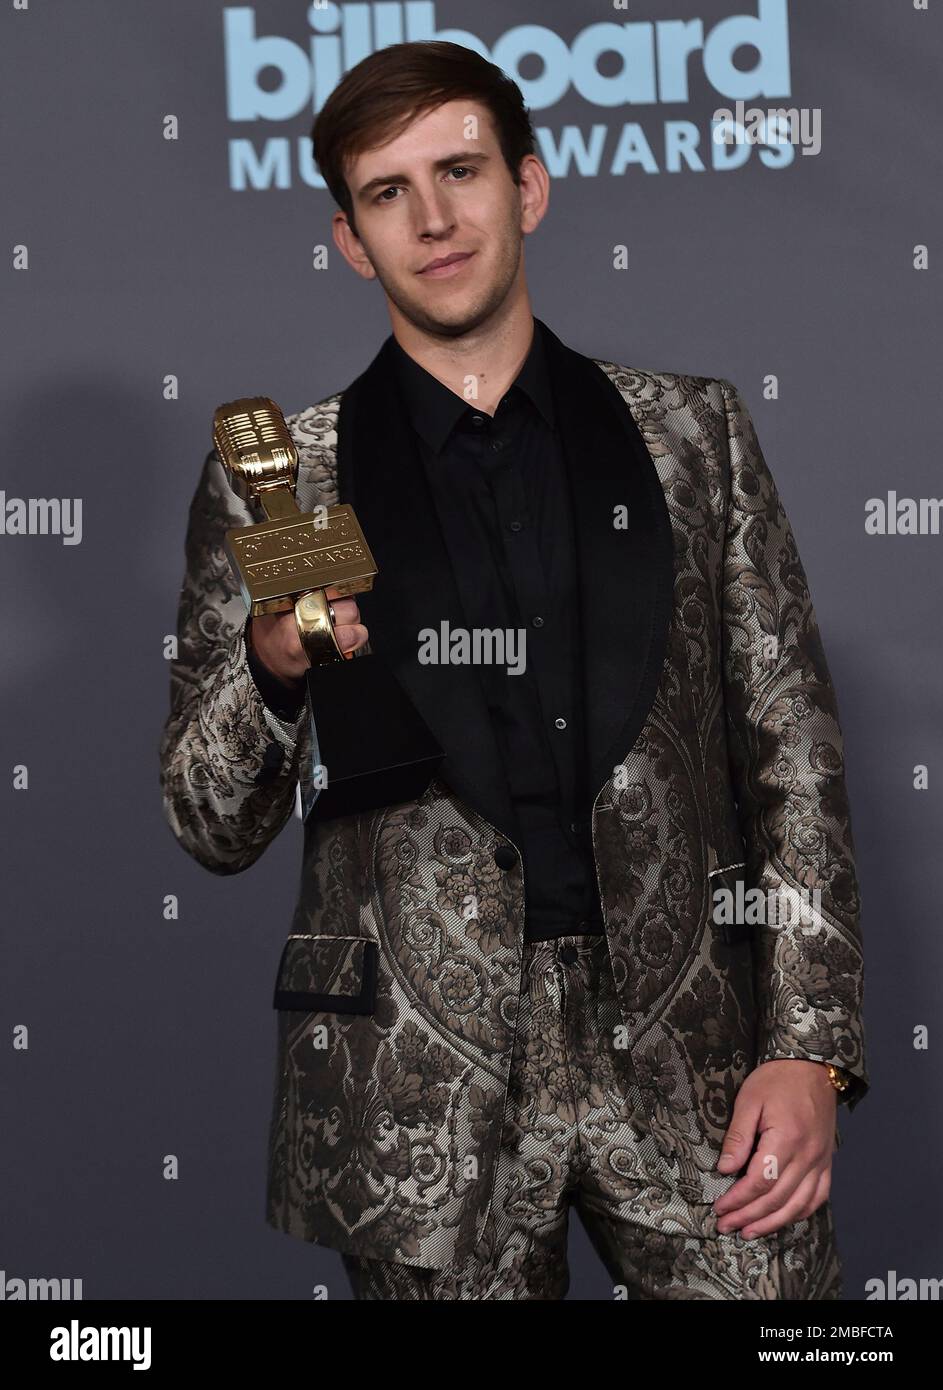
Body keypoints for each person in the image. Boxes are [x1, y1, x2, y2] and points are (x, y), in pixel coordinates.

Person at [159, 39, 868, 1301]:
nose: (433, 218)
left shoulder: (692, 433)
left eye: (461, 171)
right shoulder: (286, 475)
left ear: (527, 189)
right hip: (419, 1091)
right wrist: (275, 666)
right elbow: (209, 821)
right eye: (388, 193)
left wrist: (809, 1049)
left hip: (693, 1055)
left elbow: (793, 759)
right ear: (348, 239)